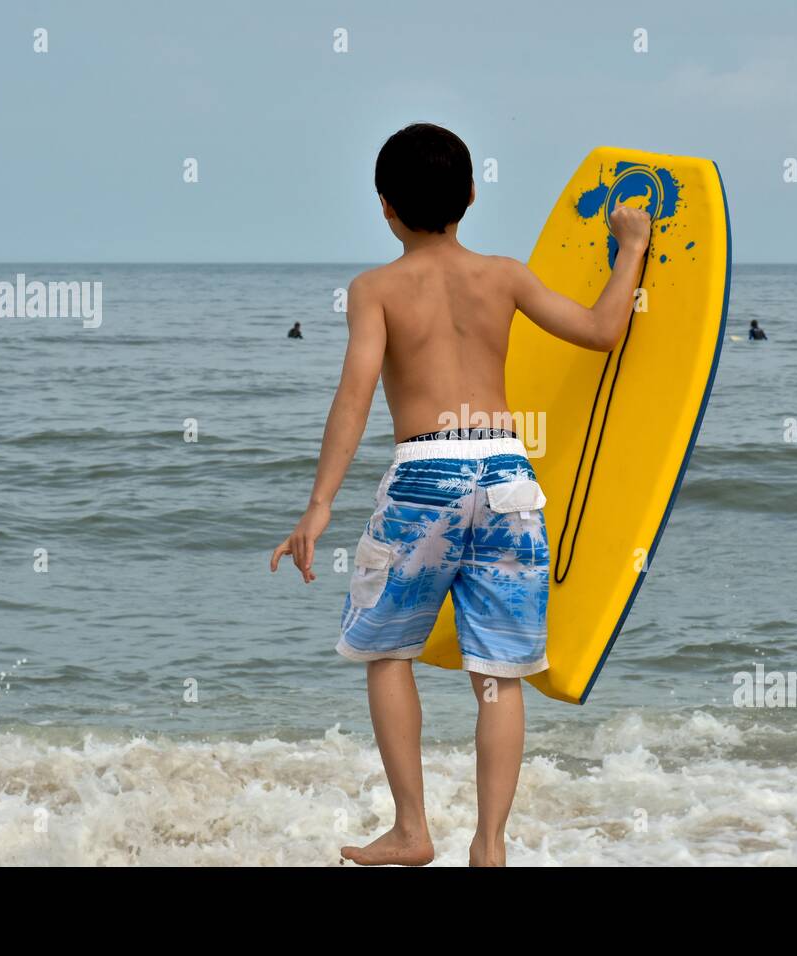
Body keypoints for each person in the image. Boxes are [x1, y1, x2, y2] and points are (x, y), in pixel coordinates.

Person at [269, 123, 650, 867]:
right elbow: (606, 331)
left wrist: (319, 506)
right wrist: (631, 244)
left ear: (384, 207)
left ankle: (412, 832)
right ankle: (491, 845)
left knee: (387, 651)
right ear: (471, 196)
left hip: (424, 479)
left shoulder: (374, 289)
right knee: (499, 675)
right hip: (508, 480)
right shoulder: (503, 275)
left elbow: (353, 395)